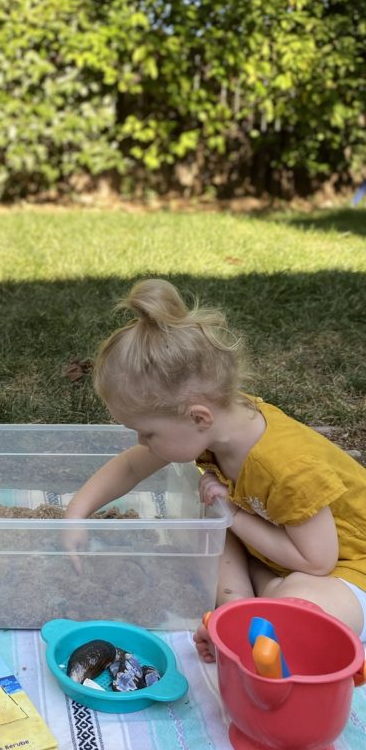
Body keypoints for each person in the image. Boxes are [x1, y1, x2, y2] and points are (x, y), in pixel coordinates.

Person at [65, 278, 366, 660]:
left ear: (198, 417)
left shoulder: (288, 468)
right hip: (278, 548)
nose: (142, 442)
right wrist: (76, 512)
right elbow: (130, 467)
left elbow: (317, 562)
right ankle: (241, 610)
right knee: (209, 530)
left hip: (348, 568)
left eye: (147, 433)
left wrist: (236, 516)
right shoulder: (216, 428)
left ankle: (260, 615)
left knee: (300, 606)